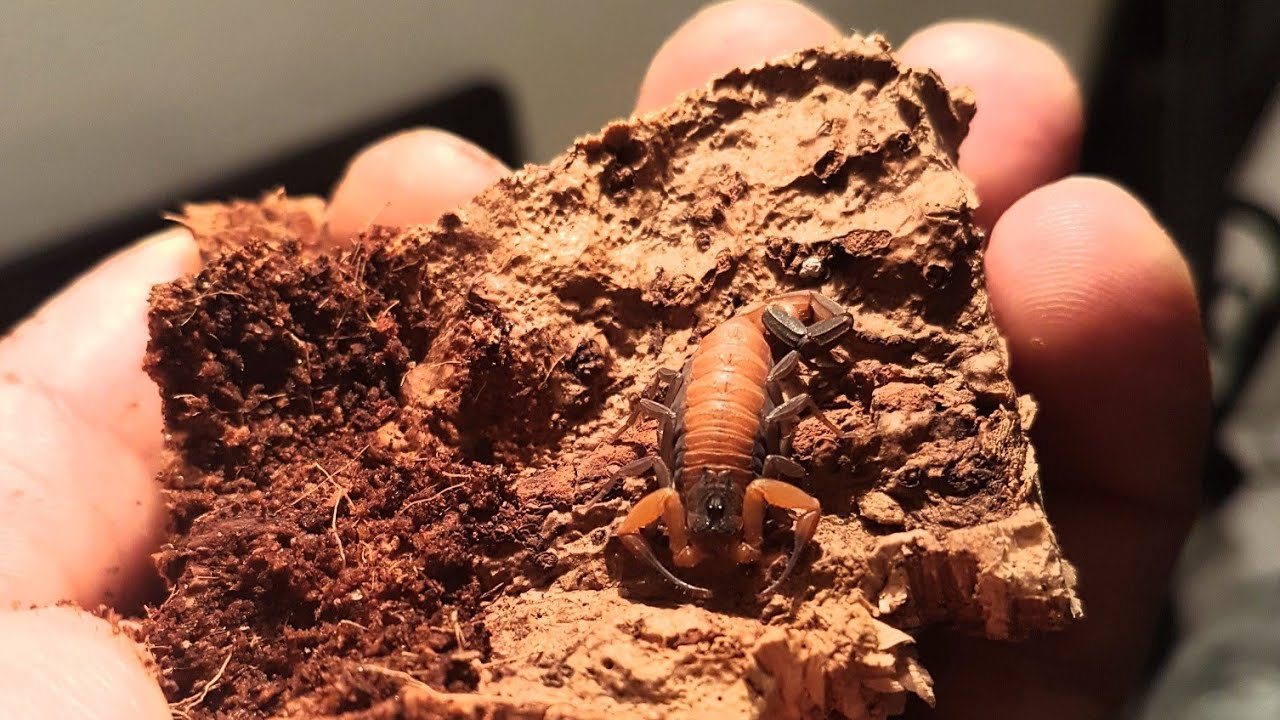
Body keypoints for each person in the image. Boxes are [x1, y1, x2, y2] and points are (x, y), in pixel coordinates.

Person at [0, 2, 1208, 718]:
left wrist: (742, 552)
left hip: (735, 379)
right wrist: (744, 555)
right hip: (719, 388)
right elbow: (705, 512)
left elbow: (721, 509)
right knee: (732, 400)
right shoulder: (698, 498)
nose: (716, 540)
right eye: (711, 540)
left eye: (713, 538)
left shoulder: (697, 497)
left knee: (755, 391)